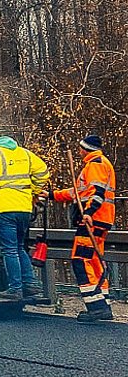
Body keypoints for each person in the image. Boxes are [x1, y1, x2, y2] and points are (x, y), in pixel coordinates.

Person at [0, 130, 50, 300]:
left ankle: (15, 288)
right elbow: (43, 172)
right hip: (24, 208)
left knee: (9, 249)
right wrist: (34, 191)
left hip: (3, 208)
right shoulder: (24, 153)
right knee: (18, 247)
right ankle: (30, 284)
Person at [49, 135, 116, 322]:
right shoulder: (96, 165)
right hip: (100, 219)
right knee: (94, 262)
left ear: (85, 149)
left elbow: (97, 192)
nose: (78, 151)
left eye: (80, 148)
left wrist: (89, 212)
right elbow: (77, 193)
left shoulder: (96, 164)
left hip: (92, 219)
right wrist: (52, 195)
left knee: (81, 260)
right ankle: (104, 306)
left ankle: (96, 307)